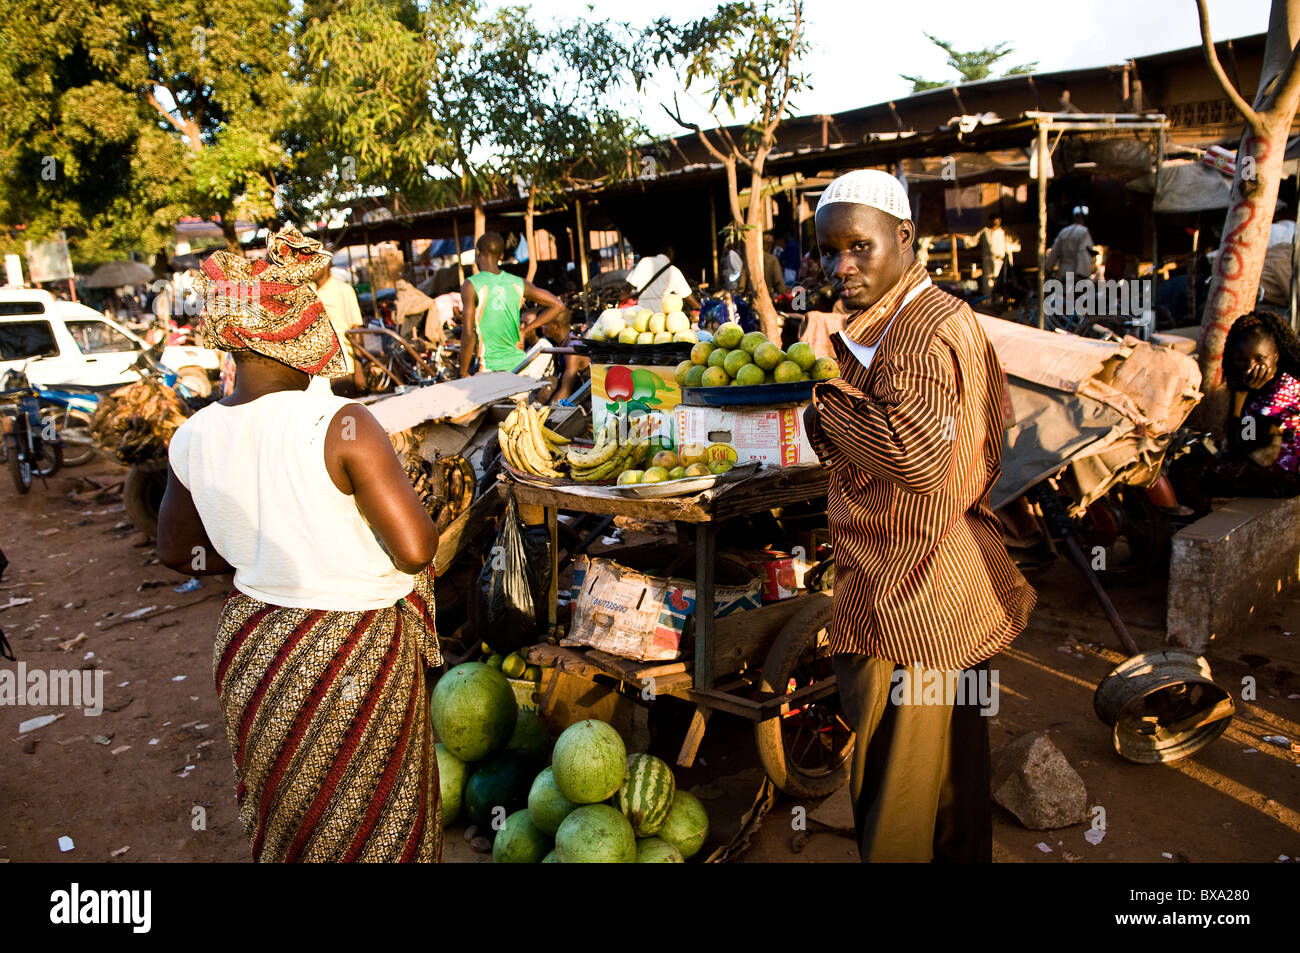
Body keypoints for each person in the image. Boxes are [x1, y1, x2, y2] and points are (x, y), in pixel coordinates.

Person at [155, 228, 441, 863]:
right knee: (377, 825)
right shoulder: (341, 423)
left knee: (294, 821)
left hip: (255, 646)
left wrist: (257, 549)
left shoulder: (194, 433)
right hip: (356, 654)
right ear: (299, 341)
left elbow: (175, 553)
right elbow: (416, 550)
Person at [801, 169, 1036, 863]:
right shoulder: (942, 315)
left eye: (858, 247)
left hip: (903, 598)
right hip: (948, 589)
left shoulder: (918, 335)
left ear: (904, 237)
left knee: (897, 800)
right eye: (828, 251)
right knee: (950, 793)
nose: (840, 267)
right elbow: (991, 427)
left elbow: (915, 450)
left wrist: (823, 399)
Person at [1172, 310, 1300, 509]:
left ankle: (1203, 522)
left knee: (1184, 470)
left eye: (1259, 359)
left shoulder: (1280, 395)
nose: (1250, 367)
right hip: (1275, 468)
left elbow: (1243, 449)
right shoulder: (1277, 383)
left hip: (1287, 479)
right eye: (1241, 359)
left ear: (1276, 355)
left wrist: (1241, 396)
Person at [459, 232, 565, 376]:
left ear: (477, 253)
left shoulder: (471, 285)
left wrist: (463, 372)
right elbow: (558, 305)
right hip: (519, 369)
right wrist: (526, 330)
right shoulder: (519, 283)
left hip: (490, 369)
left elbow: (468, 334)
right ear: (501, 255)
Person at [307, 238, 366, 393]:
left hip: (343, 366)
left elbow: (356, 331)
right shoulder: (308, 292)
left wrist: (359, 370)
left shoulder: (343, 290)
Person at [625, 243, 699, 314]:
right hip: (661, 318)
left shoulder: (644, 261)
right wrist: (699, 307)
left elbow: (629, 286)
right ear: (671, 253)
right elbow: (687, 296)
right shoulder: (673, 271)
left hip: (642, 314)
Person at [964, 213, 1018, 301]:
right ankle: (988, 302)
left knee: (1001, 281)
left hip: (1001, 262)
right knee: (988, 282)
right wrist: (963, 238)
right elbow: (973, 241)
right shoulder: (985, 231)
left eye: (997, 220)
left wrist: (1006, 248)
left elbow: (1016, 245)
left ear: (999, 221)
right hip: (988, 261)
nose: (995, 222)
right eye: (993, 220)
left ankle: (1001, 301)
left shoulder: (1005, 232)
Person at [1045, 205, 1096, 285]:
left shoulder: (1063, 232)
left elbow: (1053, 253)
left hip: (1063, 274)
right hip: (1076, 276)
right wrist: (1083, 275)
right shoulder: (1084, 232)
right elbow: (1084, 255)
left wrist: (1047, 269)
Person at [740, 233, 788, 300]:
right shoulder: (772, 260)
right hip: (768, 298)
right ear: (770, 246)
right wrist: (784, 294)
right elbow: (779, 283)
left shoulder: (749, 259)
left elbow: (742, 284)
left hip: (750, 299)